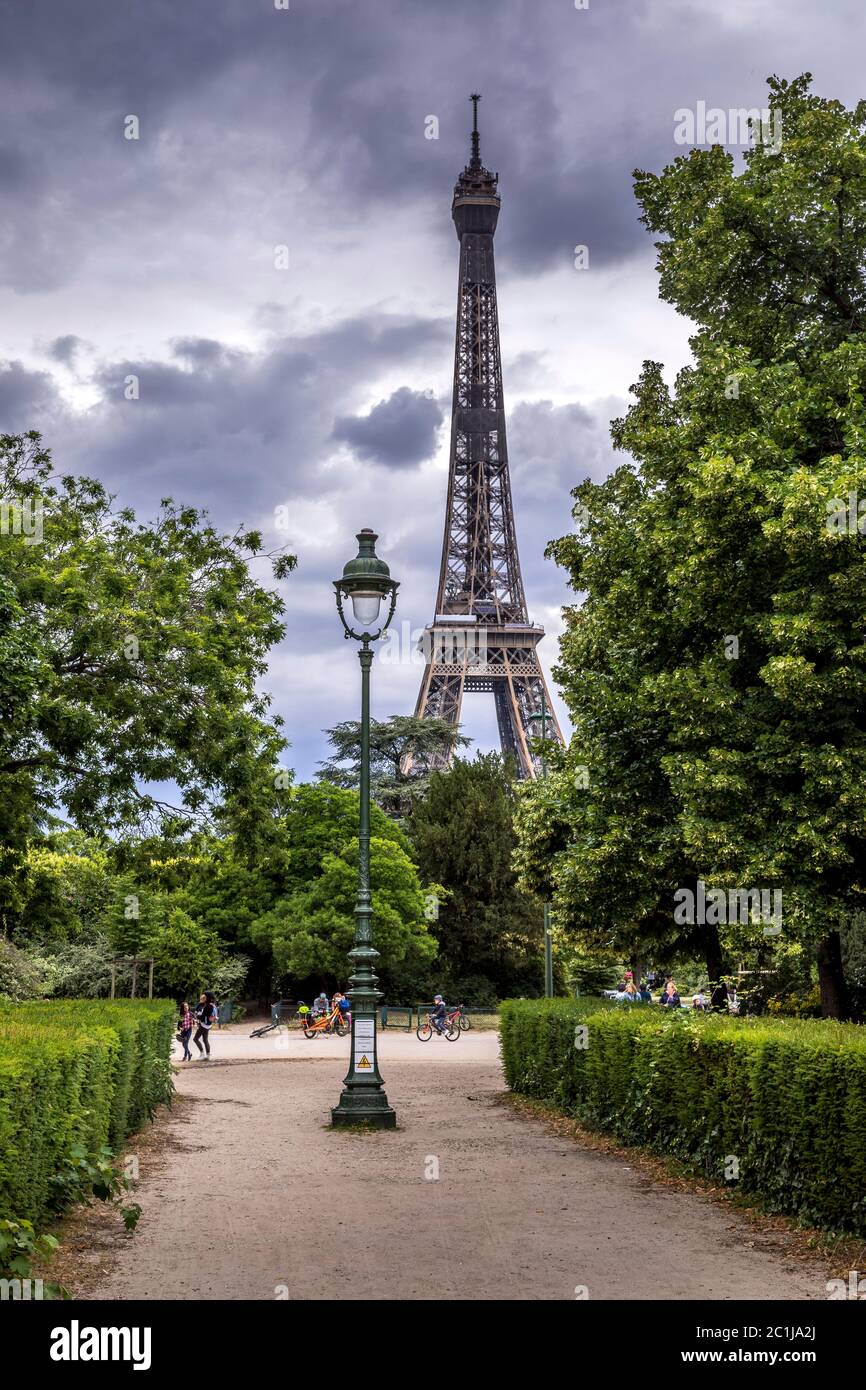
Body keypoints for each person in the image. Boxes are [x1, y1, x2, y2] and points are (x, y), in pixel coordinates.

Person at [193, 991, 218, 1059]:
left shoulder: (208, 1006)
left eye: (205, 996)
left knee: (195, 1039)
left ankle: (202, 1054)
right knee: (205, 1039)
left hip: (204, 1025)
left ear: (207, 997)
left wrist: (197, 1017)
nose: (204, 998)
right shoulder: (212, 1005)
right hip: (208, 1025)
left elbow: (203, 1017)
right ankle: (208, 1055)